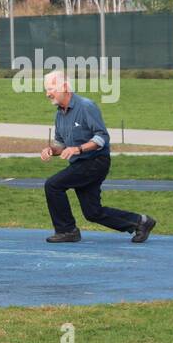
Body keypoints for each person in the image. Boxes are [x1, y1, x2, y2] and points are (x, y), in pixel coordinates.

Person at [40, 70, 157, 244]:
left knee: (53, 185)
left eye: (51, 89)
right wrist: (51, 149)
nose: (48, 94)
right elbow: (61, 145)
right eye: (46, 90)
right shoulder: (59, 114)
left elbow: (102, 137)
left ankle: (67, 230)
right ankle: (141, 222)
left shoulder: (86, 106)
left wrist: (78, 149)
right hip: (80, 164)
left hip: (96, 162)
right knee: (92, 212)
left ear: (64, 87)